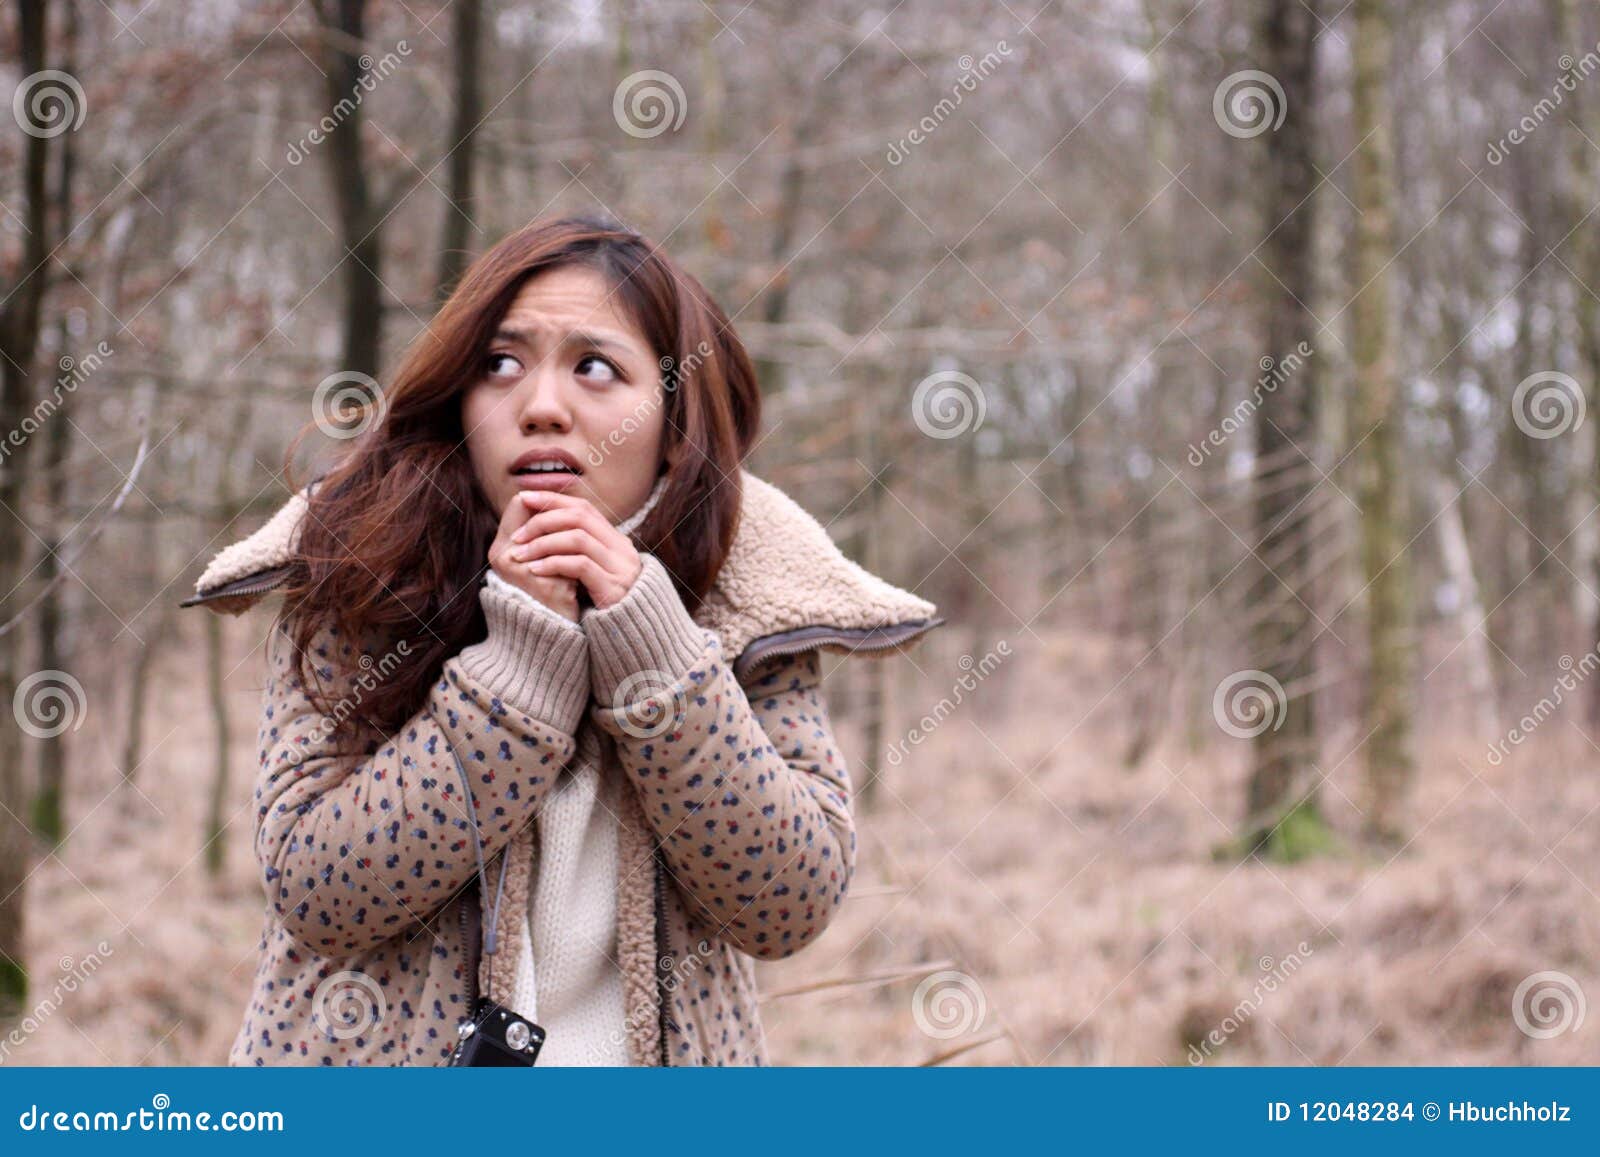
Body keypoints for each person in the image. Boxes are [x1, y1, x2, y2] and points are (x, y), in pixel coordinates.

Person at [183, 214, 944, 1066]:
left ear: (673, 416)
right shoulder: (364, 560)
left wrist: (655, 652)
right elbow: (319, 890)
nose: (541, 406)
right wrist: (519, 668)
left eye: (595, 367)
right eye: (500, 364)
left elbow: (787, 903)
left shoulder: (748, 586)